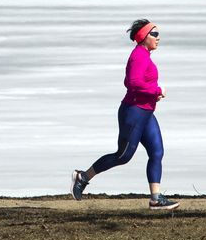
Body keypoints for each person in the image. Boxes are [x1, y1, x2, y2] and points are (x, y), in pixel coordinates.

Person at [70, 18, 180, 211]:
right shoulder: (138, 55)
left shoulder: (145, 55)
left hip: (146, 112)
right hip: (133, 113)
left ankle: (155, 199)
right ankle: (83, 177)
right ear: (143, 37)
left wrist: (154, 95)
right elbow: (132, 83)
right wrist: (155, 91)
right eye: (154, 34)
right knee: (123, 155)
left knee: (157, 152)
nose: (158, 38)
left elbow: (140, 84)